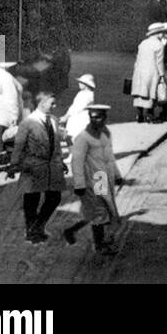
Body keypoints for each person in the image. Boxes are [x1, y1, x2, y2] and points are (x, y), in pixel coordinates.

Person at [7, 90, 66, 244]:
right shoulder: (28, 122)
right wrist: (14, 165)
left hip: (52, 165)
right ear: (42, 103)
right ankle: (31, 230)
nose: (55, 105)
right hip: (34, 165)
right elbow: (19, 145)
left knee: (54, 197)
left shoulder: (53, 120)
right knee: (32, 199)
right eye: (52, 103)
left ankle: (38, 225)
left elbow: (57, 144)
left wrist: (61, 161)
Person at [63, 105, 122, 255]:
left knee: (100, 212)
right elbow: (77, 162)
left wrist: (117, 174)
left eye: (98, 117)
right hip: (91, 179)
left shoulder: (106, 133)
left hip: (103, 178)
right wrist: (79, 184)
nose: (95, 120)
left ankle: (71, 231)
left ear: (105, 118)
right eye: (92, 117)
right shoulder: (83, 138)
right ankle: (100, 245)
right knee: (100, 213)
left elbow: (110, 156)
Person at [130, 21, 167, 124]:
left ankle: (139, 114)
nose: (163, 34)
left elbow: (138, 58)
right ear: (157, 33)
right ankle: (149, 115)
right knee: (151, 93)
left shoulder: (143, 43)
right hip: (152, 72)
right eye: (161, 32)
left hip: (139, 71)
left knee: (140, 93)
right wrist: (162, 75)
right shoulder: (159, 45)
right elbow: (159, 62)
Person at [62, 74, 97, 142]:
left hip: (81, 119)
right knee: (71, 136)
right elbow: (73, 106)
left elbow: (77, 108)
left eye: (81, 83)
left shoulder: (88, 95)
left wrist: (66, 116)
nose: (79, 84)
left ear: (86, 85)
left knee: (77, 137)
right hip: (75, 118)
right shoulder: (81, 93)